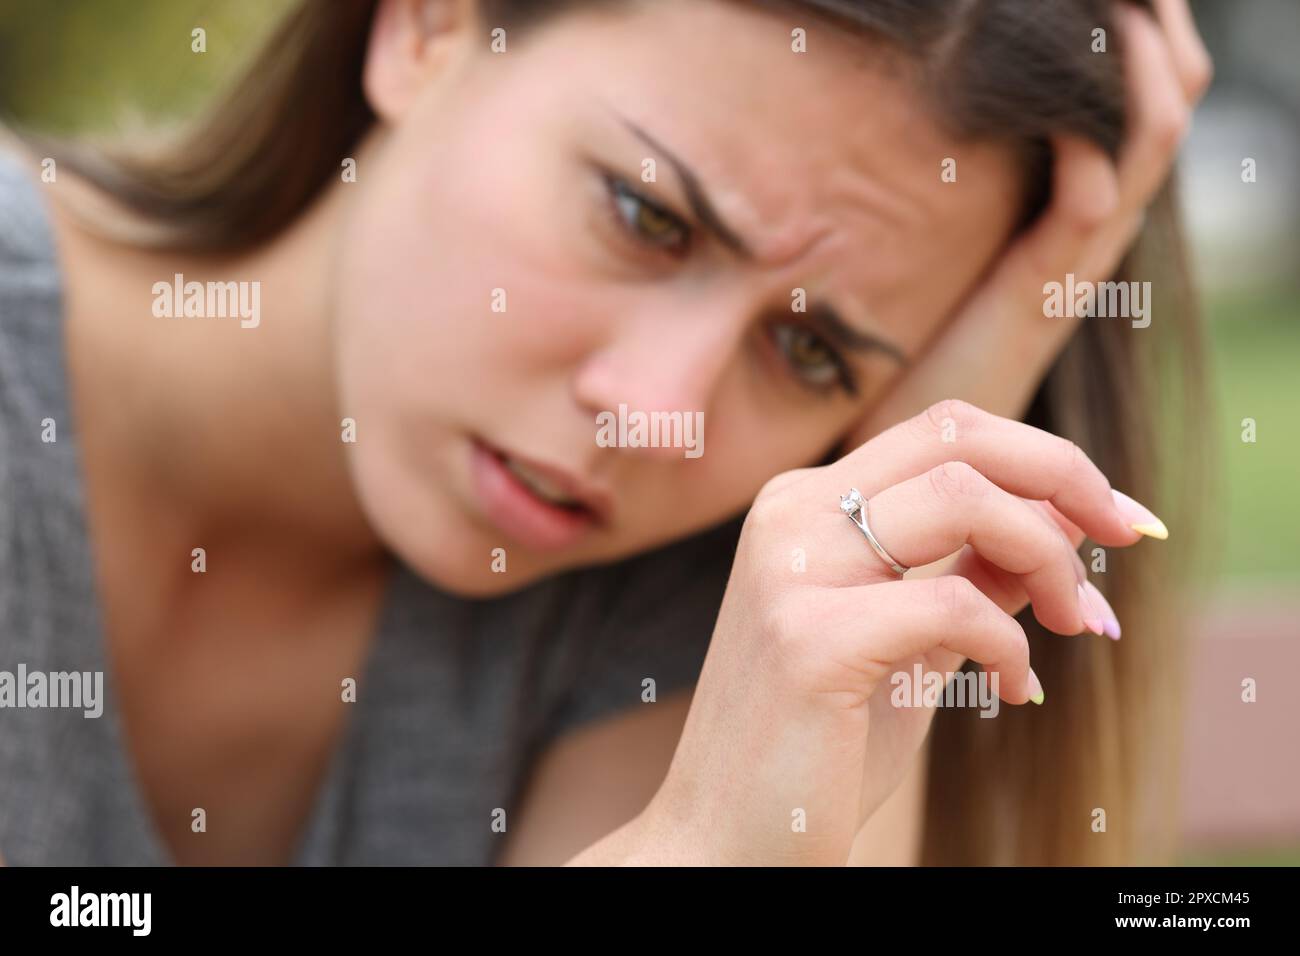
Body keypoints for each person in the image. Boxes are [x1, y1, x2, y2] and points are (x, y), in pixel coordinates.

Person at [0, 0, 1212, 865]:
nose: (658, 412)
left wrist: (924, 453)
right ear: (425, 27)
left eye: (809, 349)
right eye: (646, 214)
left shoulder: (692, 579)